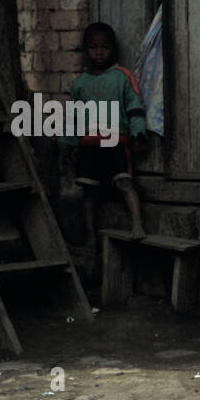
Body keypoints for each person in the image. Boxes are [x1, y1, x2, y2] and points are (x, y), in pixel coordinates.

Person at [66, 22, 148, 242]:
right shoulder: (80, 84)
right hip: (89, 146)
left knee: (124, 183)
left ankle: (137, 224)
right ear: (86, 50)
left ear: (113, 49)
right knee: (89, 194)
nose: (99, 52)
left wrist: (138, 135)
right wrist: (73, 144)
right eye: (93, 47)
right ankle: (91, 238)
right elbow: (75, 117)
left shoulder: (123, 77)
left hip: (116, 142)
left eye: (105, 47)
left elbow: (135, 107)